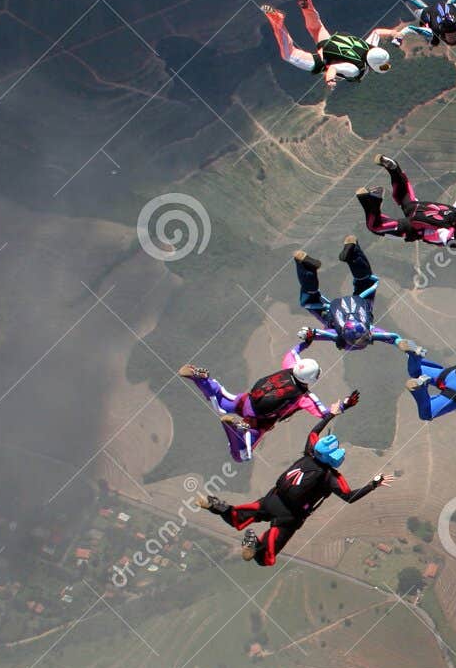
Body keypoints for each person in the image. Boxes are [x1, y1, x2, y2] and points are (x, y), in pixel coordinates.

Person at [195, 414, 393, 565]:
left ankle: (220, 507)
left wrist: (331, 414)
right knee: (266, 558)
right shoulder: (331, 477)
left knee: (239, 517)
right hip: (289, 516)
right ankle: (255, 545)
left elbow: (313, 433)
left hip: (272, 498)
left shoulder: (308, 454)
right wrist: (374, 483)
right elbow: (350, 497)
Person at [178, 341, 358, 463]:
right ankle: (237, 429)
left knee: (220, 400)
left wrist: (306, 341)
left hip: (246, 400)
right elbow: (325, 414)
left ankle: (203, 379)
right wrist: (344, 405)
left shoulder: (290, 365)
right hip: (258, 421)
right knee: (242, 456)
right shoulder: (305, 397)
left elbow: (293, 352)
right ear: (310, 380)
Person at [291, 238, 421, 353]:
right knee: (310, 298)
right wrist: (308, 333)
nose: (364, 341)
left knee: (366, 281)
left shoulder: (363, 330)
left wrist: (401, 343)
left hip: (357, 302)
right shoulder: (353, 331)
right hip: (341, 308)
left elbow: (392, 337)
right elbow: (318, 334)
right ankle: (306, 267)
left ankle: (353, 254)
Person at [261, 0, 403, 89]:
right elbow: (333, 69)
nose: (384, 67)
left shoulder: (369, 46)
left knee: (315, 27)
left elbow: (377, 32)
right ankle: (277, 21)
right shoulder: (354, 70)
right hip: (323, 61)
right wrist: (330, 81)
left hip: (330, 42)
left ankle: (307, 2)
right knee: (288, 54)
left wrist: (393, 33)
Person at [357, 154, 456, 249]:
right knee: (375, 227)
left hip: (414, 207)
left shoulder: (454, 208)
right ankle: (375, 199)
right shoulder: (446, 230)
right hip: (410, 228)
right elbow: (450, 242)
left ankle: (394, 170)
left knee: (403, 193)